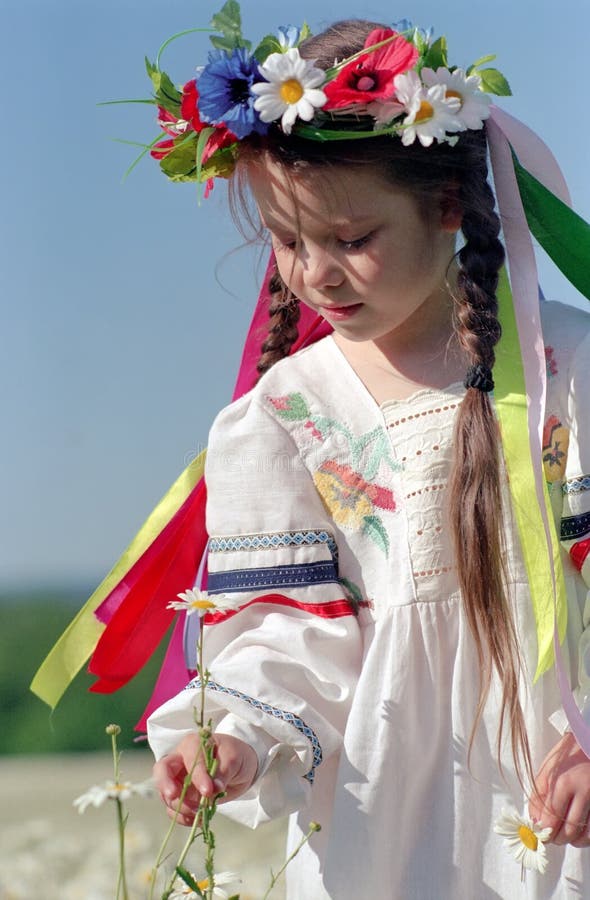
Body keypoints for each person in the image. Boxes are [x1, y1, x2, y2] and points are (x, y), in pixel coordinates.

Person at [33, 10, 590, 899]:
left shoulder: (571, 368)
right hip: (387, 810)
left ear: (448, 205)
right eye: (289, 242)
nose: (315, 273)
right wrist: (236, 734)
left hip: (564, 785)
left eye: (352, 240)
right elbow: (285, 629)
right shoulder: (283, 417)